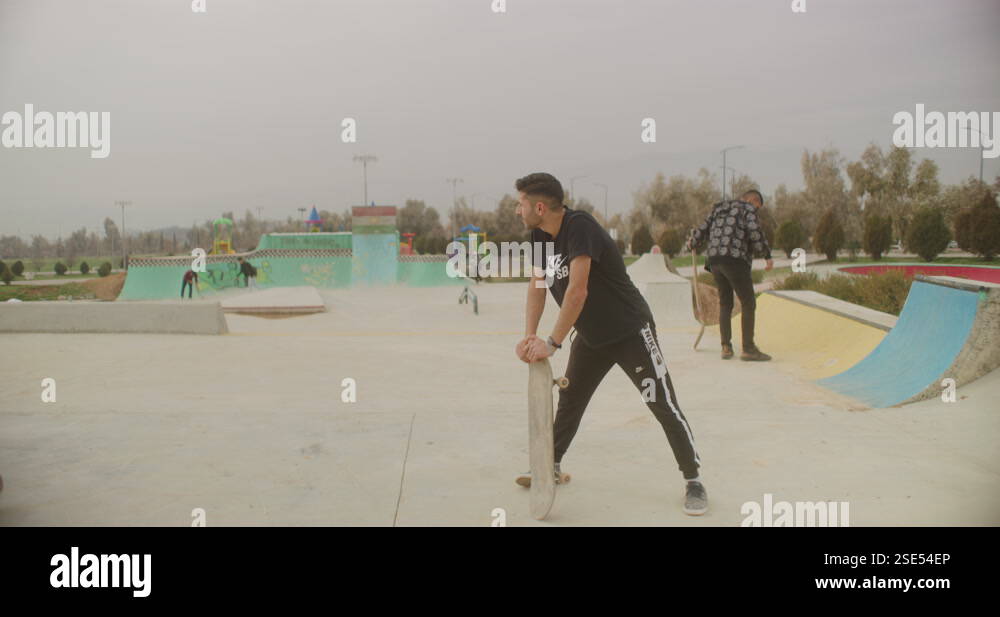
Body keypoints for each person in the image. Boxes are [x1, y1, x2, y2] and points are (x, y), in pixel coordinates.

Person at [513, 172, 706, 516]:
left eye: (521, 204)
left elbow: (577, 291)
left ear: (539, 206)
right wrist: (530, 336)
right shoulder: (539, 236)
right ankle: (551, 465)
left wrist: (552, 343)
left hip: (630, 330)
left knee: (660, 400)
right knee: (571, 399)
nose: (517, 210)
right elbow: (537, 286)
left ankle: (693, 479)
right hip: (591, 336)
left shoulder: (580, 227)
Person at [687, 189, 774, 361]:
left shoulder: (719, 208)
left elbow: (703, 228)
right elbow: (755, 232)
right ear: (753, 201)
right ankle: (748, 348)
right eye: (758, 207)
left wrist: (693, 243)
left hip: (714, 261)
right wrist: (767, 255)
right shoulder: (748, 209)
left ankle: (725, 347)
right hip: (735, 259)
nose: (757, 211)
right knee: (748, 302)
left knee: (725, 302)